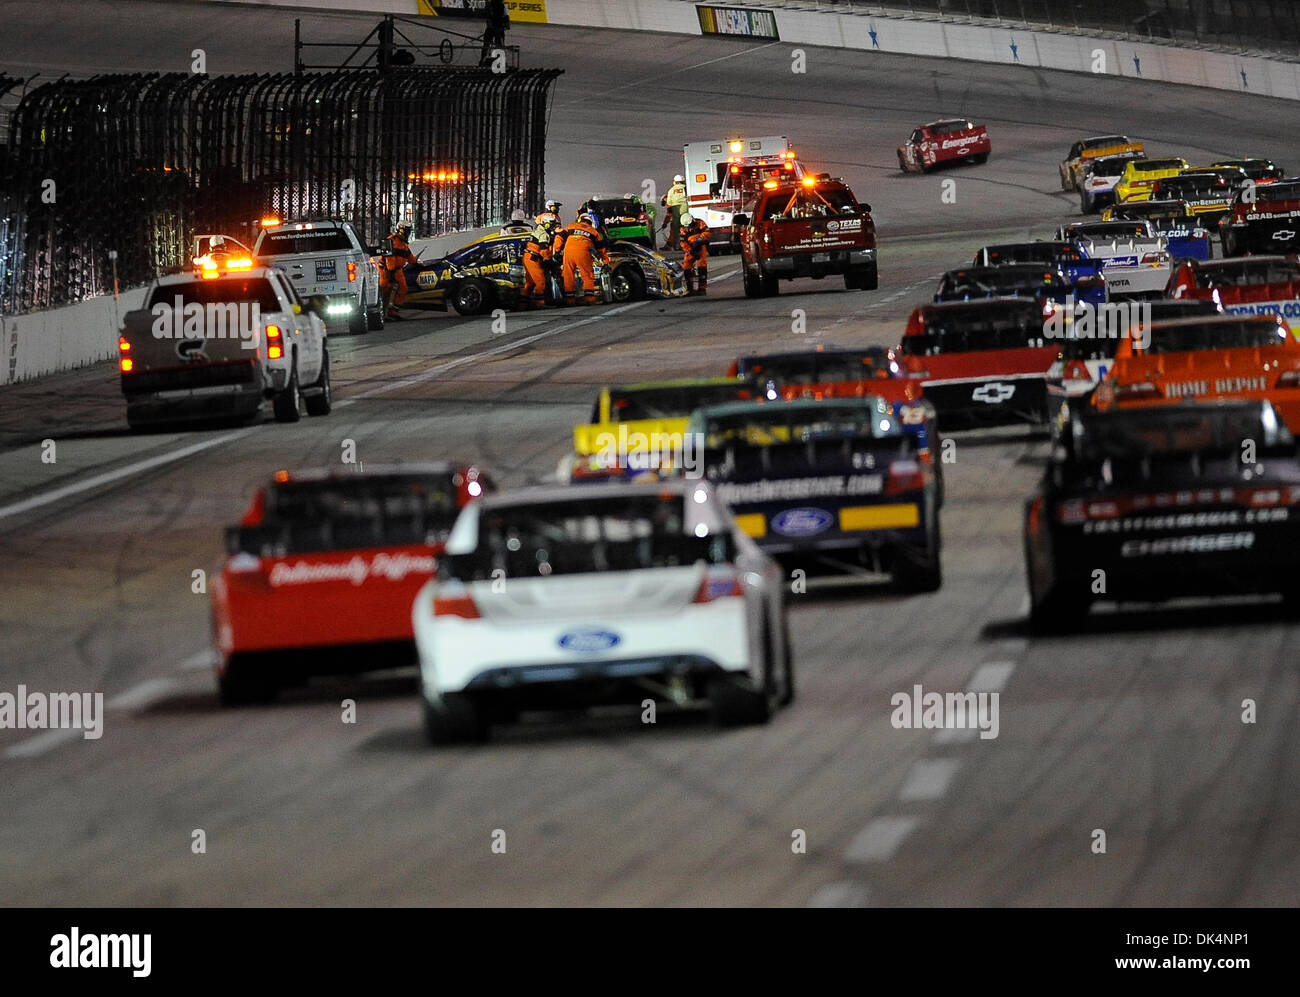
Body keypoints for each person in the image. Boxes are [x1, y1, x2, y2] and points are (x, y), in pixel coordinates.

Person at [554, 211, 610, 306]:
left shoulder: (571, 226)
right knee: (587, 274)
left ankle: (570, 300)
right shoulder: (594, 231)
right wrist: (605, 262)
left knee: (568, 275)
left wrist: (557, 250)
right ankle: (589, 298)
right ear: (590, 222)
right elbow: (602, 249)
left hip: (568, 252)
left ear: (580, 219)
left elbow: (559, 236)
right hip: (583, 252)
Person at [382, 223, 418, 319]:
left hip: (397, 270)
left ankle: (393, 311)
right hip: (386, 270)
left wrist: (416, 263)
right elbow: (389, 259)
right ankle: (382, 312)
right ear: (401, 230)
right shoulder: (391, 241)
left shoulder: (403, 243)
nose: (409, 233)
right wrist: (391, 273)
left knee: (403, 288)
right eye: (407, 231)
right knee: (386, 289)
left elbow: (408, 255)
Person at [522, 216, 559, 309]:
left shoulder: (538, 230)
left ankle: (523, 303)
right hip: (533, 258)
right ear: (546, 223)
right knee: (540, 281)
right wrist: (549, 260)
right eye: (551, 224)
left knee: (530, 282)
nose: (552, 226)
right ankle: (540, 303)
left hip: (528, 256)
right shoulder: (543, 234)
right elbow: (543, 250)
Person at [681, 215, 710, 295]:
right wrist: (690, 251)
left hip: (701, 246)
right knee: (686, 266)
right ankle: (689, 288)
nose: (688, 228)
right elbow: (682, 242)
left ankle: (702, 287)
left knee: (702, 264)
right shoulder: (683, 229)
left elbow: (707, 232)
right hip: (690, 248)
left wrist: (699, 240)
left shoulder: (700, 222)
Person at [660, 174, 688, 250]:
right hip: (686, 209)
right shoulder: (686, 188)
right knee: (686, 227)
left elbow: (669, 204)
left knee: (675, 229)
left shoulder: (671, 190)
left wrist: (665, 223)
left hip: (675, 210)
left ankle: (677, 246)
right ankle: (686, 245)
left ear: (675, 182)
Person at [481, 0, 510, 66]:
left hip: (494, 28)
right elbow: (506, 17)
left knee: (487, 45)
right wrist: (506, 26)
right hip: (498, 28)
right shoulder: (502, 6)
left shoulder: (490, 5)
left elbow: (487, 17)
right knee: (499, 45)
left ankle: (483, 61)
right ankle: (501, 62)